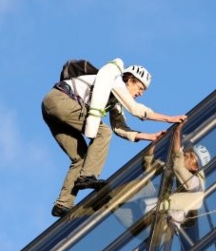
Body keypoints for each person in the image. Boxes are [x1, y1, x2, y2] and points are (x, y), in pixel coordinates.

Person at [42, 59, 186, 217]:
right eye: (140, 88)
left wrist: (149, 136)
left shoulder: (114, 100)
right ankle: (87, 176)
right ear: (130, 80)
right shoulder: (115, 80)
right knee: (103, 132)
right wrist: (169, 118)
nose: (141, 93)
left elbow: (119, 127)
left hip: (51, 107)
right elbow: (135, 109)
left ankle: (62, 204)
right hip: (61, 100)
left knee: (81, 158)